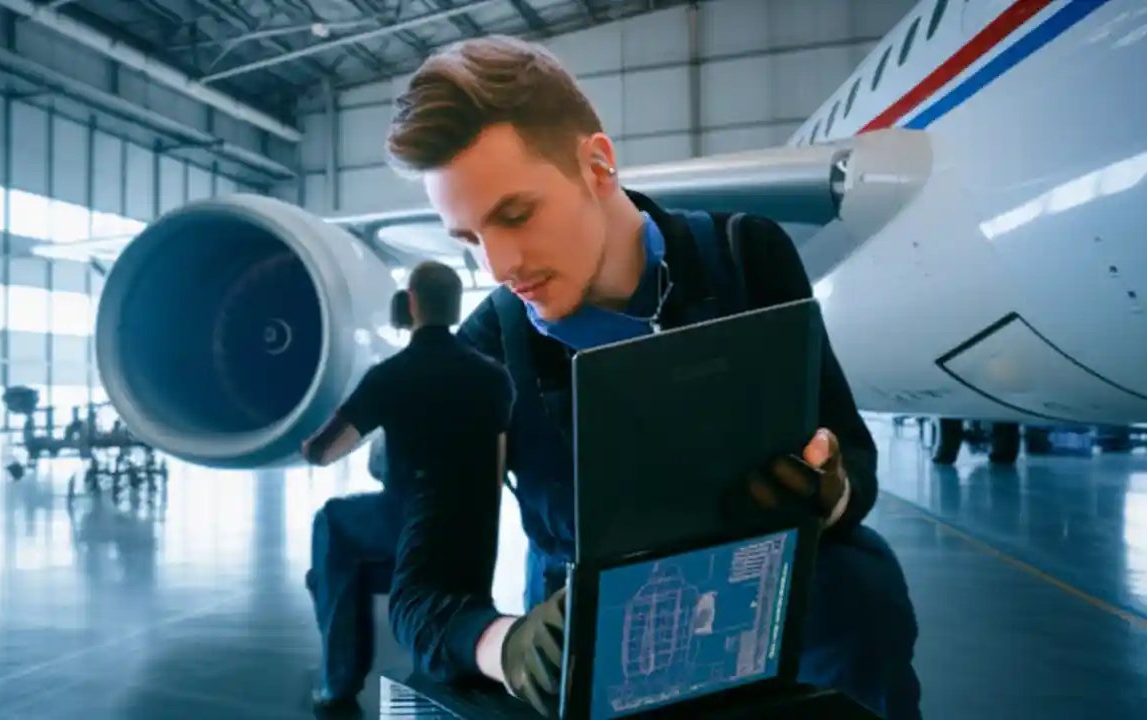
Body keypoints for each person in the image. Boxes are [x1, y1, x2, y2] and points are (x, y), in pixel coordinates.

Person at [381, 35, 922, 720]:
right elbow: (423, 597)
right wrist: (508, 644)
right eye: (469, 239)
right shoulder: (486, 354)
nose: (499, 266)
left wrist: (831, 491)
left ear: (597, 165)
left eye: (516, 215)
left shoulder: (748, 258)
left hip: (805, 642)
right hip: (610, 666)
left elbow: (855, 456)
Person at [300, 261, 515, 714]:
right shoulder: (494, 378)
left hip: (405, 519)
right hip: (471, 529)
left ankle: (337, 681)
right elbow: (495, 469)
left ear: (411, 304)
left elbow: (324, 451)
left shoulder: (391, 376)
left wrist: (308, 441)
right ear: (456, 307)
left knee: (332, 523)